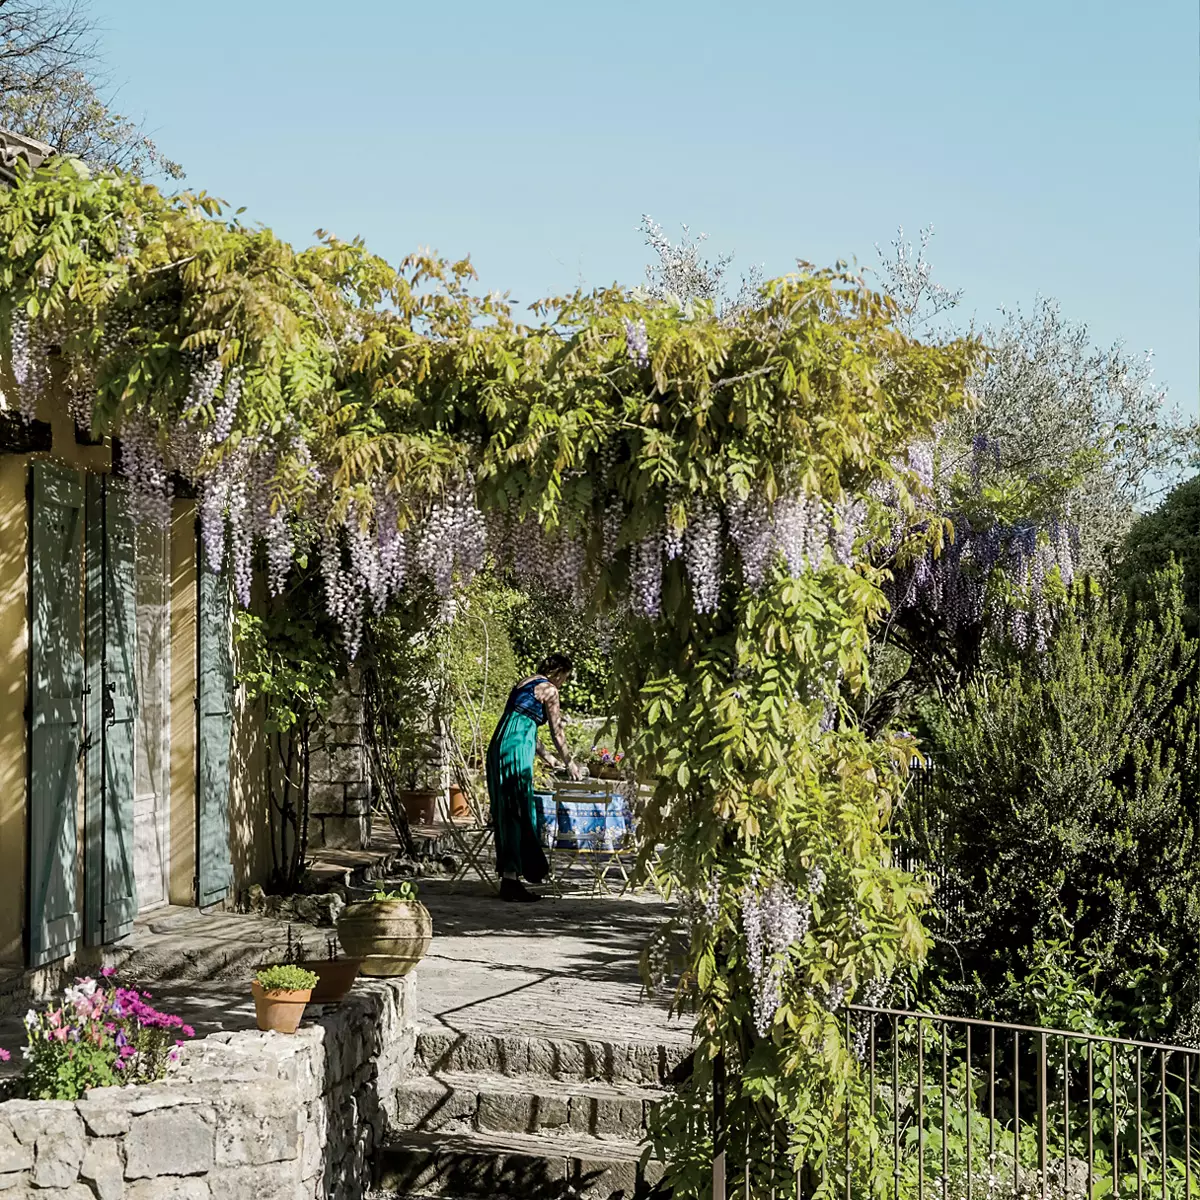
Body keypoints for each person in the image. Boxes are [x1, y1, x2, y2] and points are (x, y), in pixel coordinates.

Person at [486, 653, 581, 902]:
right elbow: (556, 731)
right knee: (518, 808)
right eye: (565, 678)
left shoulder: (524, 683)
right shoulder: (549, 689)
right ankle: (511, 880)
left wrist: (548, 758)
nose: (562, 684)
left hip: (501, 745)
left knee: (508, 809)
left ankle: (515, 874)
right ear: (558, 672)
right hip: (516, 747)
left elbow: (521, 722)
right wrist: (571, 763)